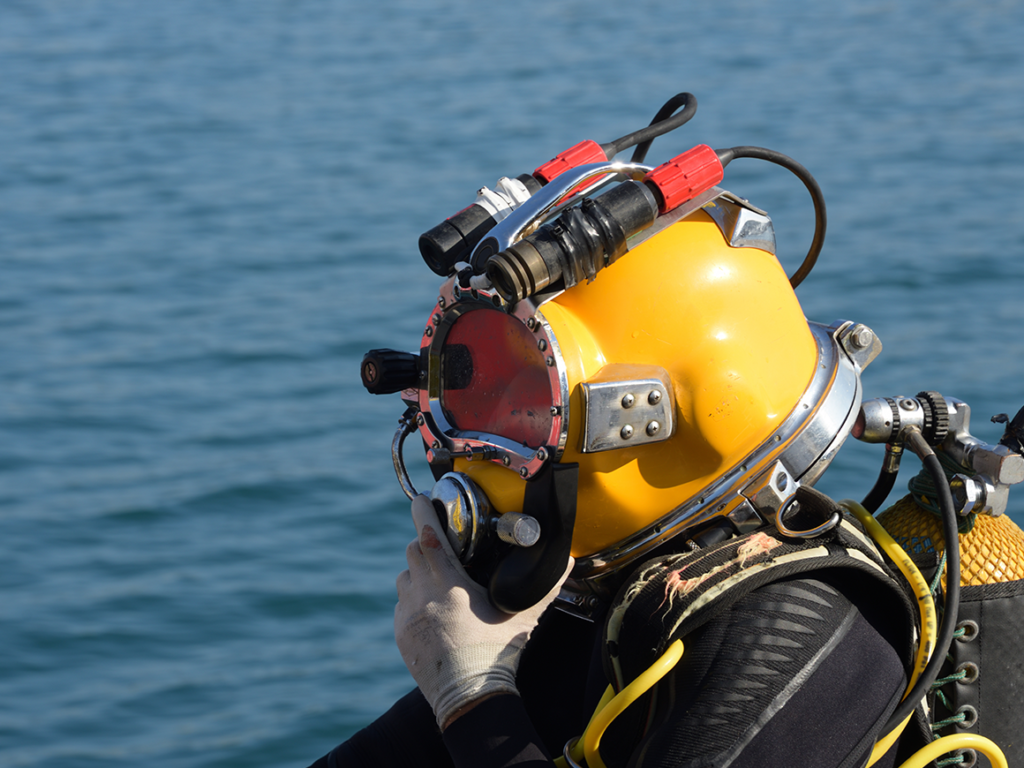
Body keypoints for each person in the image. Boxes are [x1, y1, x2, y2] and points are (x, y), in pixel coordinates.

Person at [316, 145, 927, 767]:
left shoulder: (794, 636)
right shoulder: (603, 593)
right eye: (469, 392)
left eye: (525, 401)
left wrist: (470, 698)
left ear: (658, 414)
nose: (469, 450)